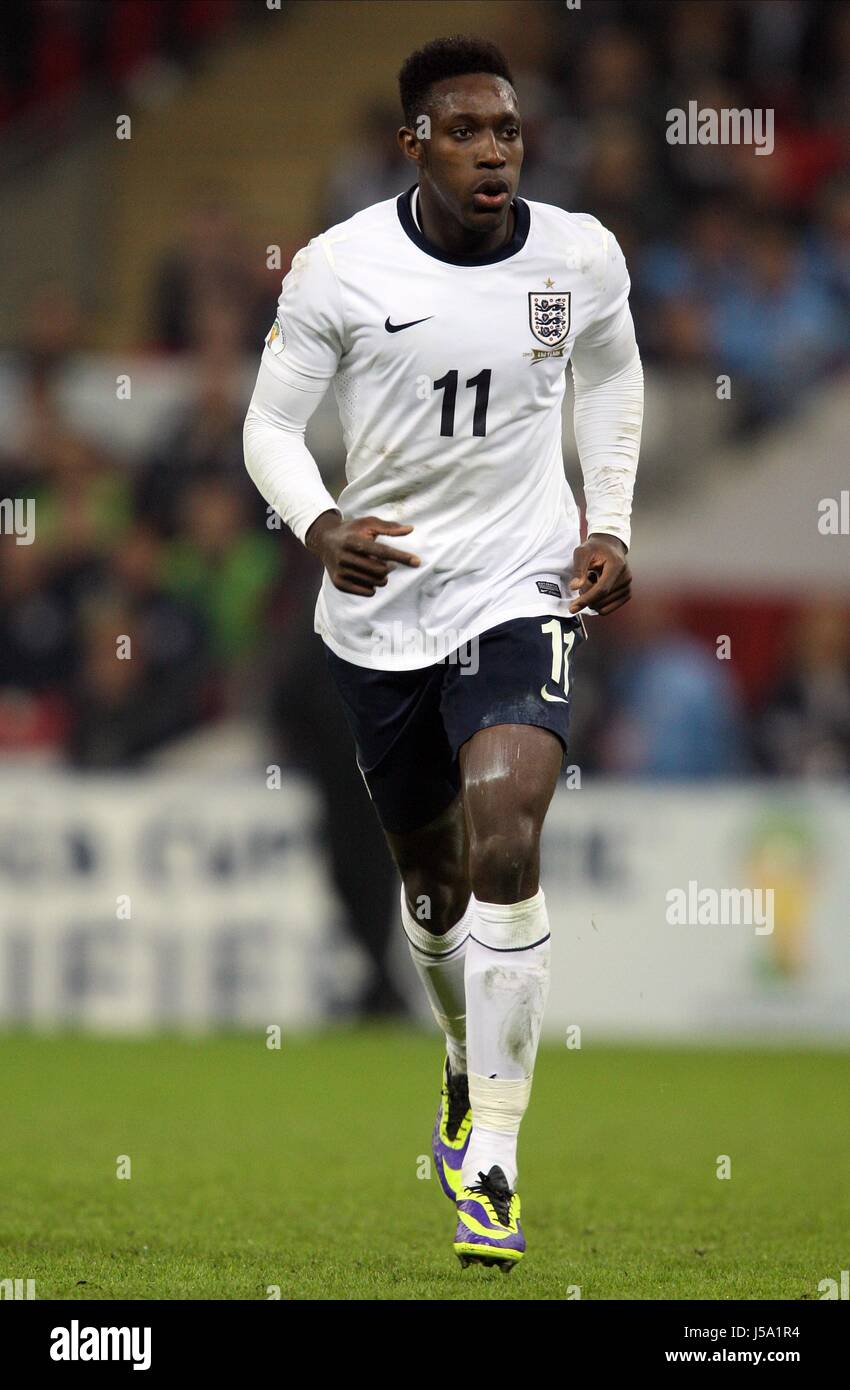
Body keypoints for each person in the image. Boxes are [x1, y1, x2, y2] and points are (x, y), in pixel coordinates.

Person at [243, 35, 643, 1272]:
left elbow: (614, 378)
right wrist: (319, 527)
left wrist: (613, 519)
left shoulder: (579, 254)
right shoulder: (338, 268)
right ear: (414, 143)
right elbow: (270, 425)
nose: (493, 153)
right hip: (381, 604)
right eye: (465, 132)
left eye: (507, 132)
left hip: (518, 585)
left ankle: (499, 1162)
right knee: (433, 889)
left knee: (507, 827)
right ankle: (464, 1066)